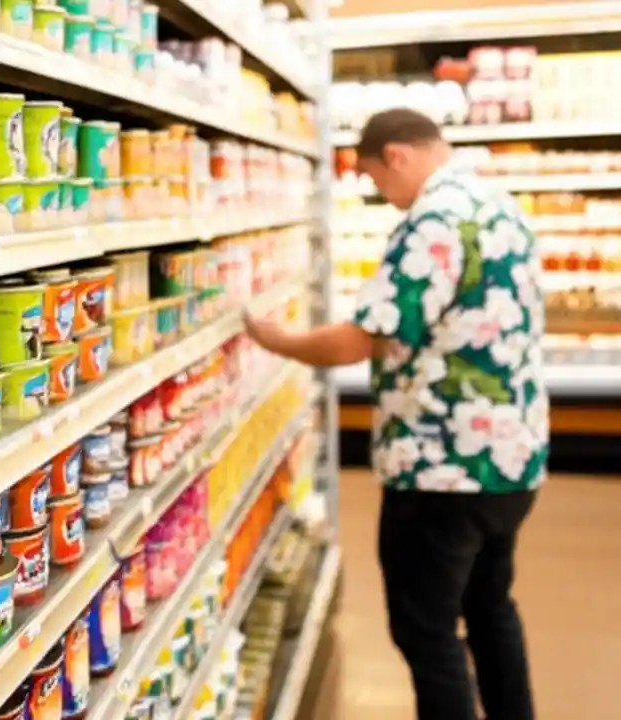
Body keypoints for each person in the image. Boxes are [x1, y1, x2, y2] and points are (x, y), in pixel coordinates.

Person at [245, 108, 547, 720]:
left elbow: (365, 337)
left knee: (427, 631)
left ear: (398, 157)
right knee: (491, 607)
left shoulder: (433, 222)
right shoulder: (498, 205)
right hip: (511, 459)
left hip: (443, 466)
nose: (381, 195)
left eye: (375, 178)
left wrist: (275, 340)